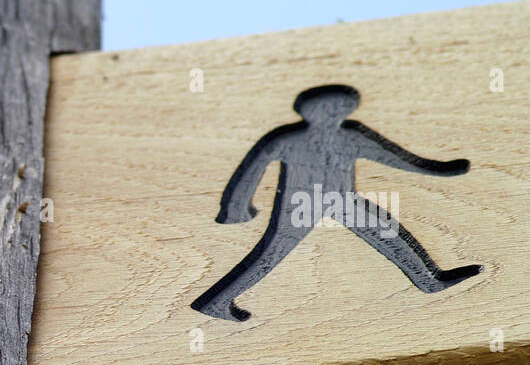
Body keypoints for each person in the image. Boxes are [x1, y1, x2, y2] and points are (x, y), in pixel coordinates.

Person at [193, 84, 481, 321]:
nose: (334, 114)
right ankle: (217, 303)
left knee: (389, 234)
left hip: (343, 200)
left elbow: (395, 158)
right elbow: (251, 171)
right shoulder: (288, 140)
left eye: (340, 109)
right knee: (270, 256)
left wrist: (440, 169)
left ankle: (429, 281)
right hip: (301, 205)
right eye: (328, 109)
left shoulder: (350, 136)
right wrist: (235, 209)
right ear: (308, 111)